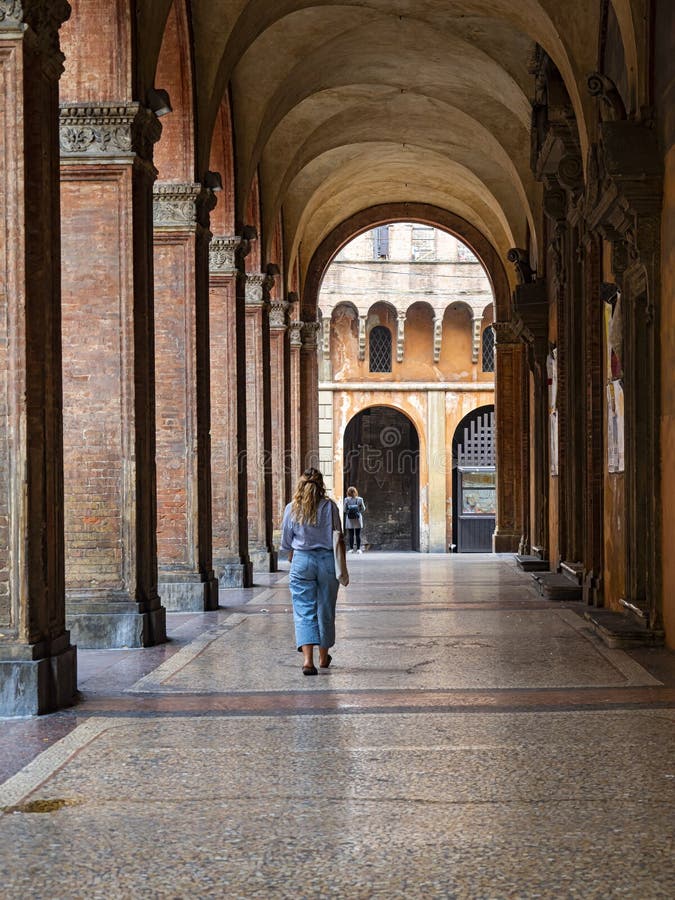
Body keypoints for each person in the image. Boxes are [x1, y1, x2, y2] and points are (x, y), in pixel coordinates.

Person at [280, 468, 342, 676]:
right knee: (325, 608)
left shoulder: (292, 508)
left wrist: (294, 550)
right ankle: (324, 657)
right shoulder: (330, 507)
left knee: (303, 609)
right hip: (327, 561)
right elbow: (338, 535)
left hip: (302, 560)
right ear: (321, 484)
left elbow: (286, 541)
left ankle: (308, 661)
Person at [343, 486, 366, 553]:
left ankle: (351, 549)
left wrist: (349, 512)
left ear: (348, 492)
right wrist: (358, 511)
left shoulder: (346, 500)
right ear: (355, 492)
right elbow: (363, 509)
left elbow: (344, 510)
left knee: (351, 534)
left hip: (349, 519)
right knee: (358, 534)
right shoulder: (360, 499)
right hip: (358, 518)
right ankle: (358, 549)